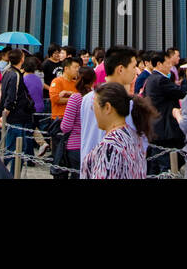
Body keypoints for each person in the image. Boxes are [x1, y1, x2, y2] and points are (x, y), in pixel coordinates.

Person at [79, 46, 144, 176]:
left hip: (88, 168)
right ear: (120, 69)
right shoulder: (126, 102)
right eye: (133, 67)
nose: (136, 72)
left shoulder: (87, 99)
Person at [84, 83, 155, 179]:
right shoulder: (133, 136)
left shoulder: (110, 147)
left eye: (94, 107)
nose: (93, 111)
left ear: (107, 108)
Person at [142, 47, 187, 174]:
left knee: (154, 167)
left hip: (155, 128)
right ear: (159, 64)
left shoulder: (150, 79)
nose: (170, 66)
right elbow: (181, 92)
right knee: (167, 167)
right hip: (165, 130)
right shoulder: (160, 80)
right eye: (168, 63)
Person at [57, 66, 96, 179]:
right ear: (93, 80)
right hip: (94, 145)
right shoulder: (98, 98)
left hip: (75, 144)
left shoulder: (76, 99)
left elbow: (66, 126)